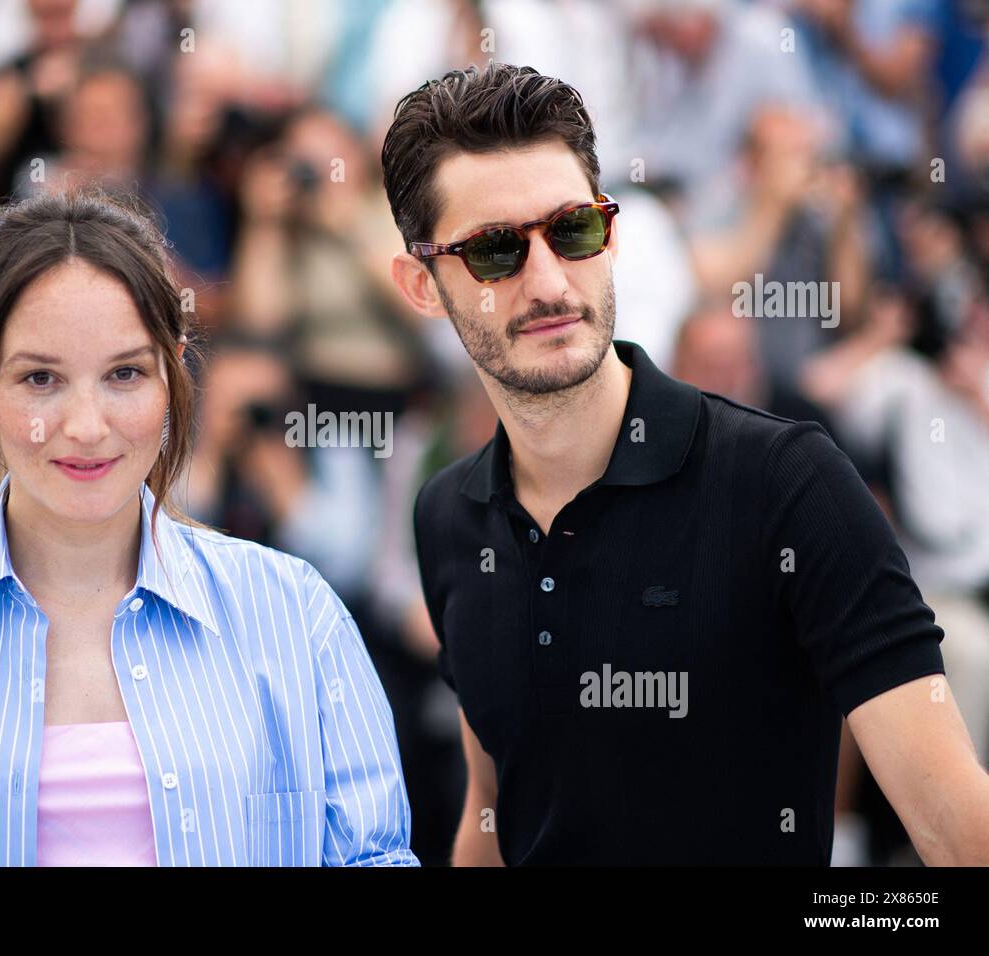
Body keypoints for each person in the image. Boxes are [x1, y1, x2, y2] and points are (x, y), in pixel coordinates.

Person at [383, 62, 989, 865]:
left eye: (572, 229)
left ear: (611, 235)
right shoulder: (447, 516)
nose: (550, 281)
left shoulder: (788, 483)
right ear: (422, 286)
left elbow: (959, 835)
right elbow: (493, 810)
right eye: (496, 250)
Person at [0, 186, 417, 867]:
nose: (86, 426)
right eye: (40, 379)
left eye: (125, 374)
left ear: (172, 375)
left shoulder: (297, 617)